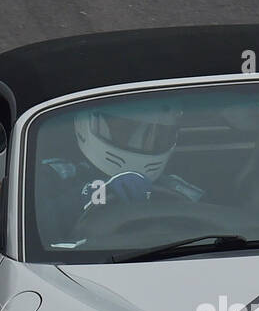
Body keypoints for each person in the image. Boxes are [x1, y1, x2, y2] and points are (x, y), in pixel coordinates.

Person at [36, 100, 202, 242]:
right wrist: (86, 197)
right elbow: (35, 228)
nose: (139, 142)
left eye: (156, 135)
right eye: (125, 130)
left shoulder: (175, 189)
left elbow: (211, 223)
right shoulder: (56, 176)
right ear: (83, 124)